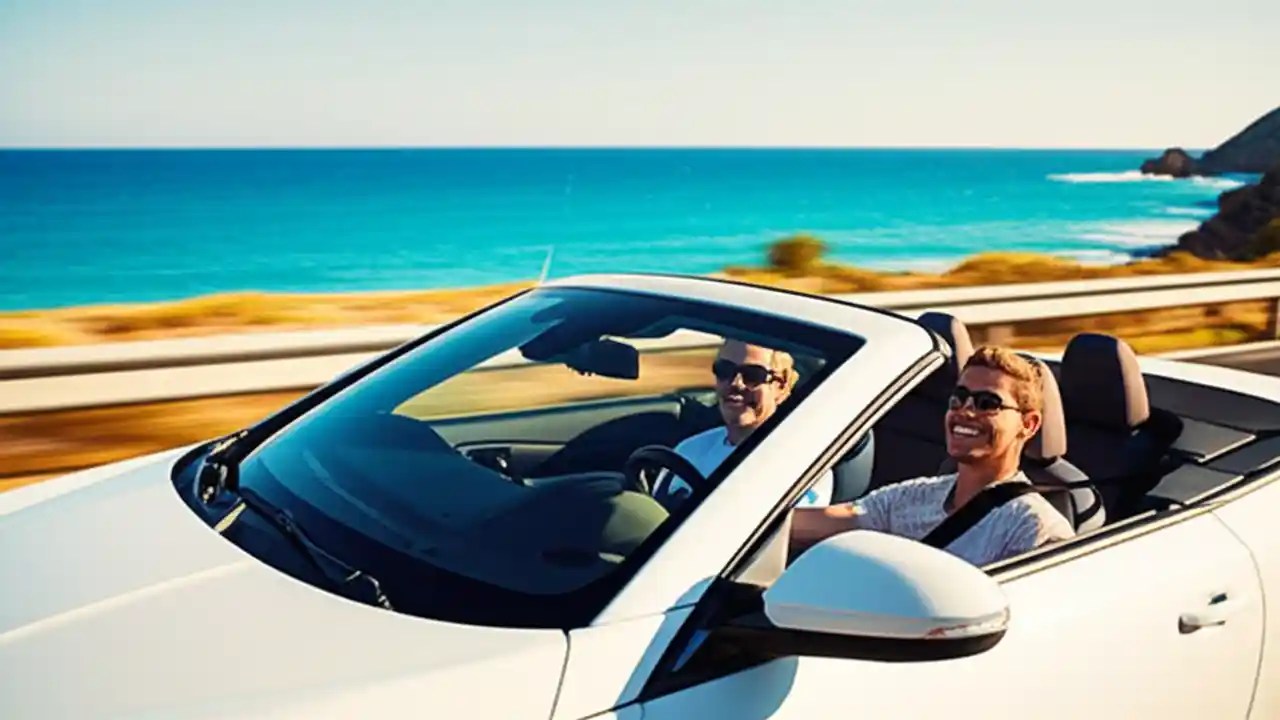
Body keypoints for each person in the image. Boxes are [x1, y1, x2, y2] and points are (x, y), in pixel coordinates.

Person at [790, 345, 1075, 567]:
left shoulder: (1034, 528)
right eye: (958, 398)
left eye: (987, 403)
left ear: (1028, 424)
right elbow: (815, 522)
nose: (965, 411)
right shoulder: (910, 498)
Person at [651, 339, 834, 508]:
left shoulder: (805, 463)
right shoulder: (688, 450)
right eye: (724, 370)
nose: (736, 383)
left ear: (781, 385)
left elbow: (790, 526)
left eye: (753, 375)